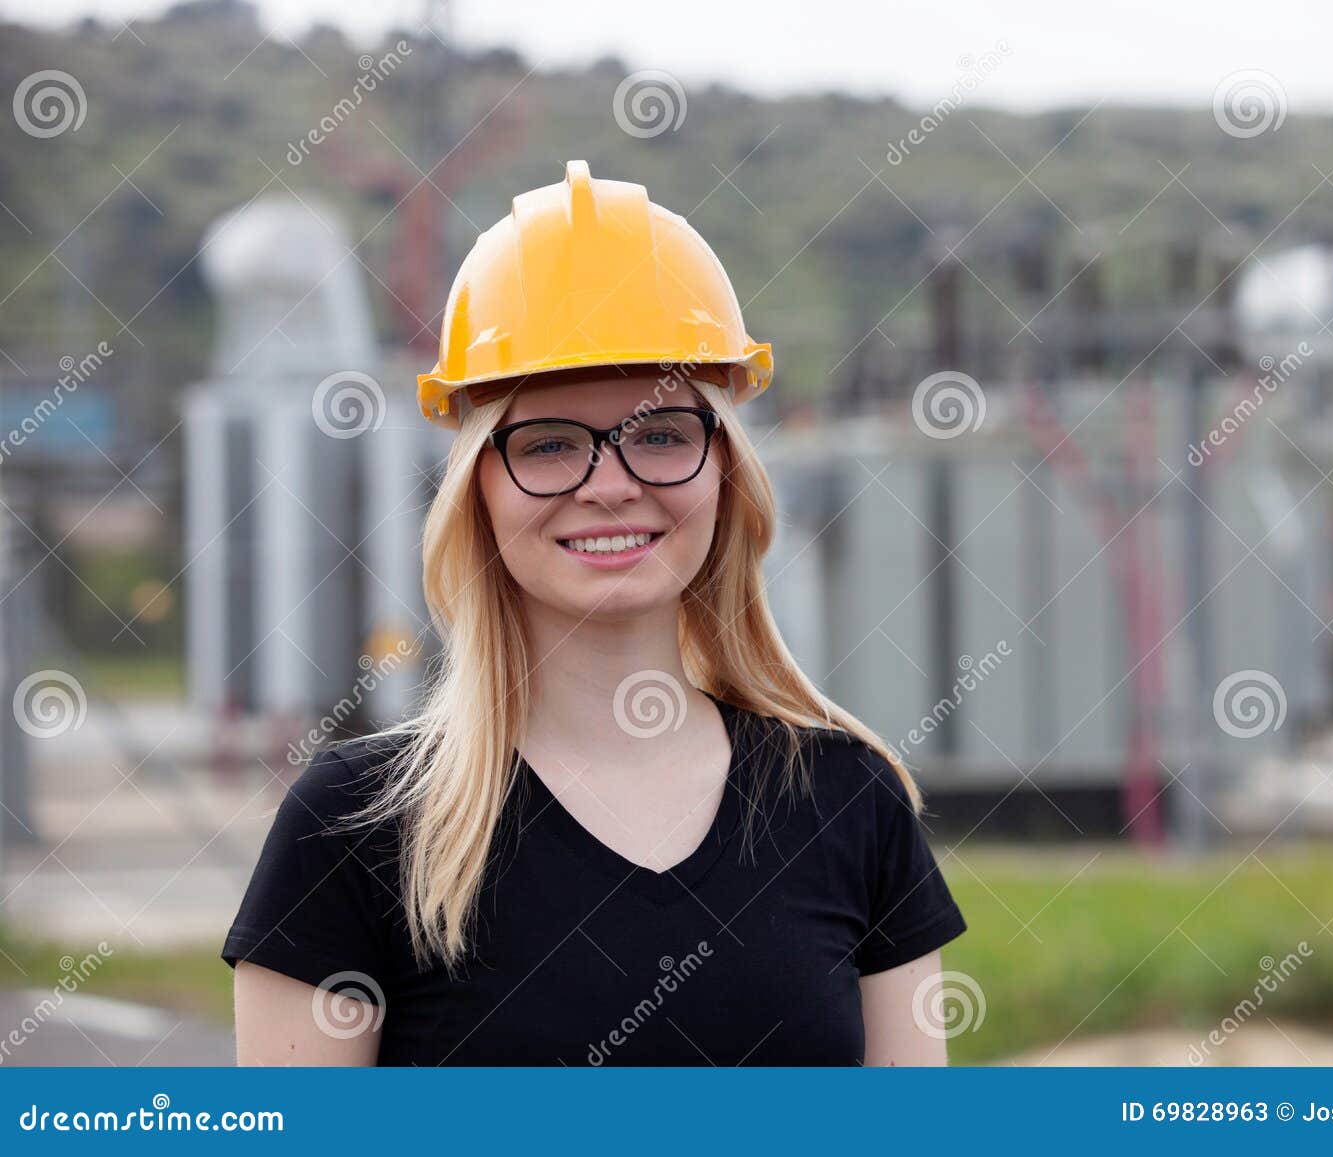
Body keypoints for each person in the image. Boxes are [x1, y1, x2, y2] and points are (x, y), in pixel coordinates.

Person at [221, 160, 967, 1066]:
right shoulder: (354, 825)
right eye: (548, 444)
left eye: (659, 433)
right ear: (476, 490)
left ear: (725, 471)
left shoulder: (849, 803)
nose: (609, 485)